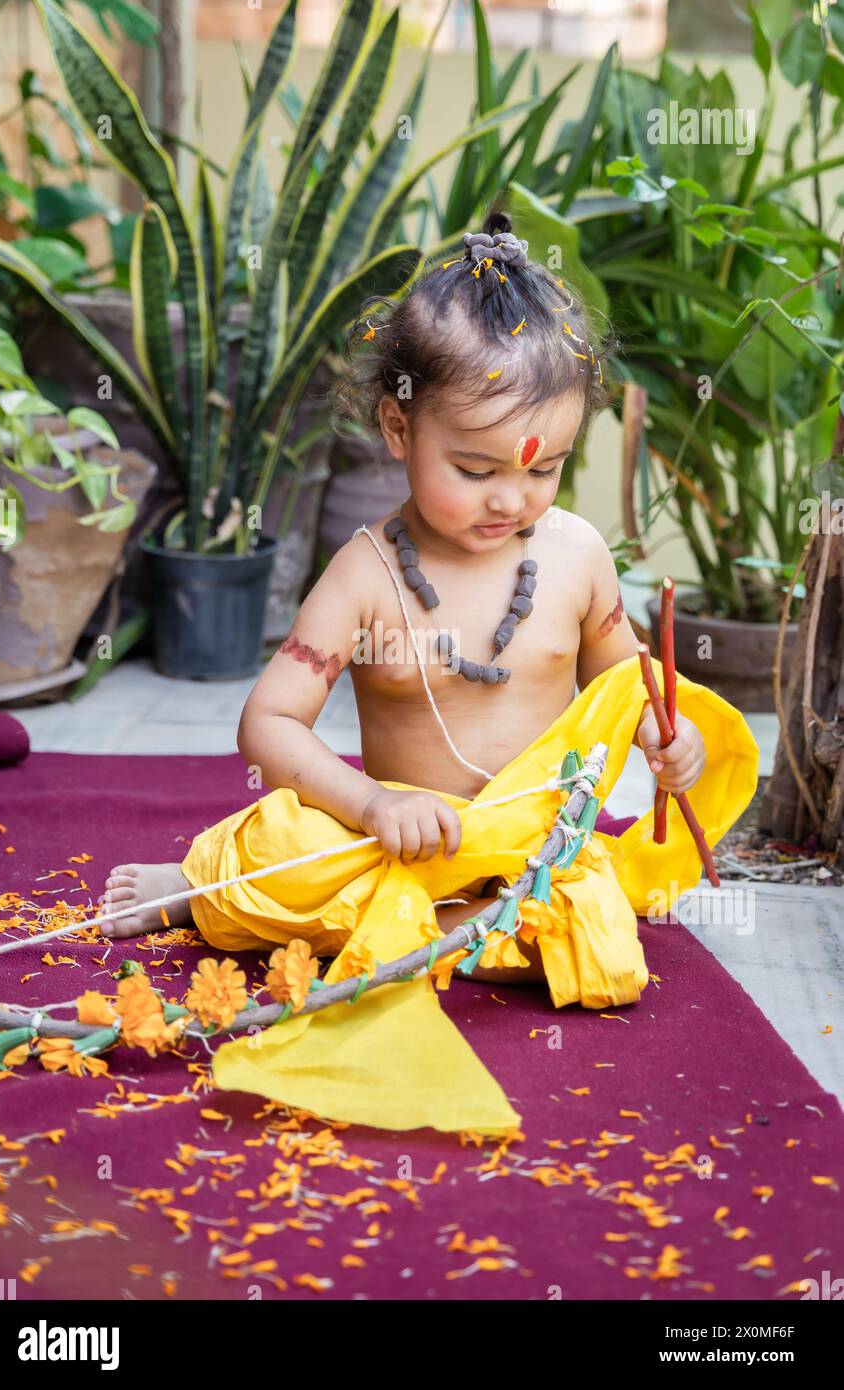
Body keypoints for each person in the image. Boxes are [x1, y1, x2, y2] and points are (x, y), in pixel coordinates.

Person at [97, 210, 757, 1134]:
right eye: (476, 466)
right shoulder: (366, 572)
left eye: (545, 469)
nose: (511, 498)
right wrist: (373, 806)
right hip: (401, 841)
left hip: (534, 850)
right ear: (398, 426)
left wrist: (669, 736)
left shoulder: (576, 555)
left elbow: (631, 681)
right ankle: (202, 887)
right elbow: (270, 725)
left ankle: (442, 932)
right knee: (280, 857)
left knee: (607, 952)